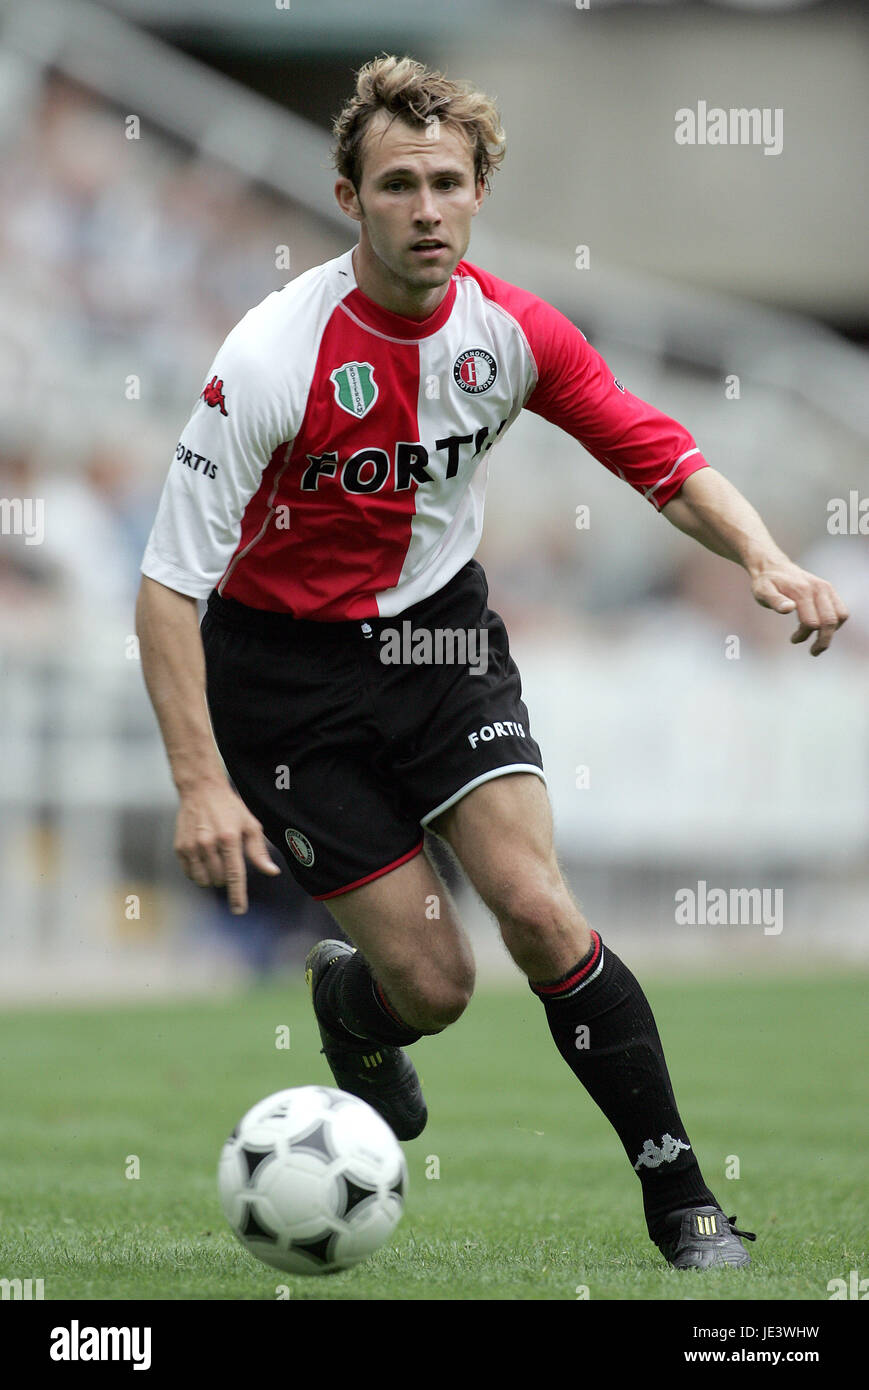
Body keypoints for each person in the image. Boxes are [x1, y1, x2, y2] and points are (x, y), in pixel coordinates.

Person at [136, 55, 848, 1271]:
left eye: (447, 183)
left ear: (478, 193)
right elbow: (165, 585)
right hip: (285, 685)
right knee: (435, 984)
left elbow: (655, 452)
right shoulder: (269, 356)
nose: (425, 207)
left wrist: (761, 555)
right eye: (397, 183)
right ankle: (352, 1009)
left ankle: (680, 1200)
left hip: (440, 645)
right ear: (350, 198)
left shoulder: (511, 330)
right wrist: (203, 782)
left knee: (535, 908)